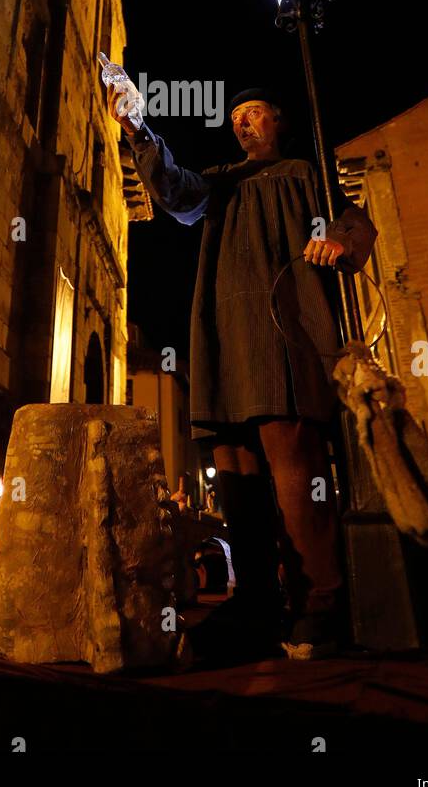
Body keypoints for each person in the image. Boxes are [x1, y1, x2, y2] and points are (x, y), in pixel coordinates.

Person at [113, 83, 377, 660]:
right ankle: (257, 601)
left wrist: (335, 238)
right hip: (223, 333)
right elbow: (174, 190)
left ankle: (321, 604)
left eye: (253, 113)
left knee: (292, 457)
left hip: (286, 330)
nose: (243, 124)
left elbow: (356, 221)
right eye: (235, 118)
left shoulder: (306, 172)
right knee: (233, 462)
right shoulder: (222, 181)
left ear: (277, 119)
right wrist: (139, 129)